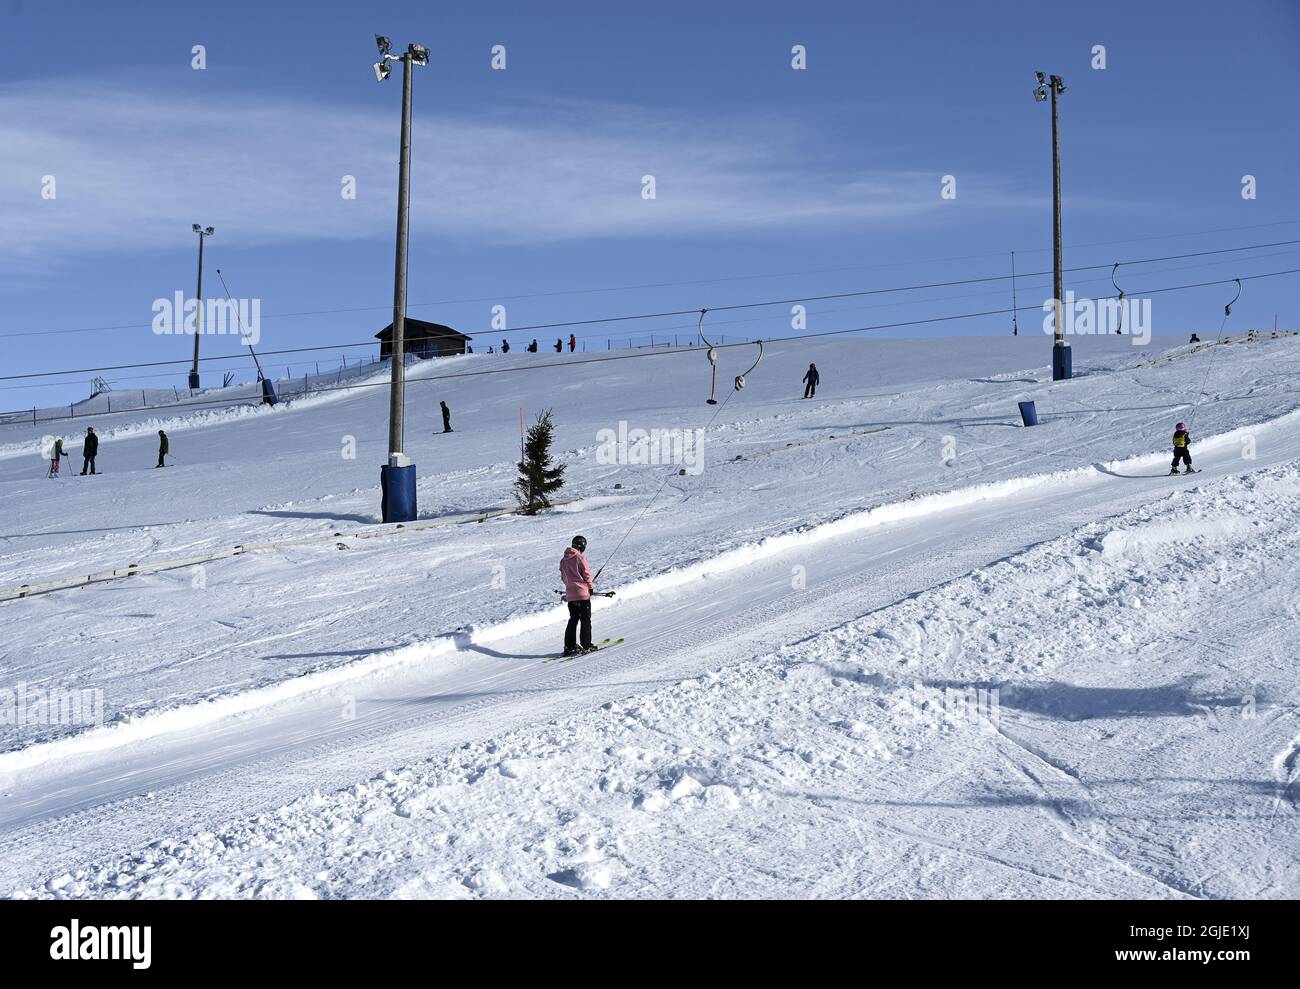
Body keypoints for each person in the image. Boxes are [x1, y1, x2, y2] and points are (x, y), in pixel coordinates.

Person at [559, 534, 595, 656]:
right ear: (582, 546)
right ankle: (586, 645)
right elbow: (587, 575)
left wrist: (571, 587)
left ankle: (569, 646)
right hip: (582, 594)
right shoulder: (580, 558)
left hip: (570, 594)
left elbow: (564, 578)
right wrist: (590, 587)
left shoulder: (563, 560)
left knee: (573, 619)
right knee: (585, 619)